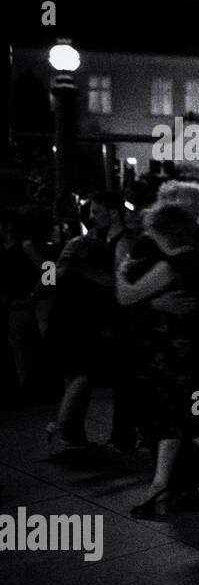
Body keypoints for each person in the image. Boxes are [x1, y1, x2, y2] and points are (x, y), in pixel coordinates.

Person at [117, 203, 199, 517]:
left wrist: (121, 273)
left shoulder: (167, 267)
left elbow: (125, 297)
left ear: (163, 234)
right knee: (177, 419)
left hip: (173, 357)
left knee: (189, 421)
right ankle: (161, 484)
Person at [45, 192, 134, 455]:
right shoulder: (85, 242)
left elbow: (117, 281)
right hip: (82, 317)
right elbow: (52, 275)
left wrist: (71, 267)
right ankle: (67, 431)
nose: (91, 217)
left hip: (89, 317)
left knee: (81, 374)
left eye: (96, 211)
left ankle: (68, 432)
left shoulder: (113, 241)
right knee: (81, 373)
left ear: (113, 212)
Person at [1, 207, 51, 400]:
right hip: (20, 302)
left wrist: (35, 294)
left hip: (34, 301)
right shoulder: (12, 247)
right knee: (19, 344)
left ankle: (29, 385)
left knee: (24, 343)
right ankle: (26, 385)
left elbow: (49, 271)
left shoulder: (25, 245)